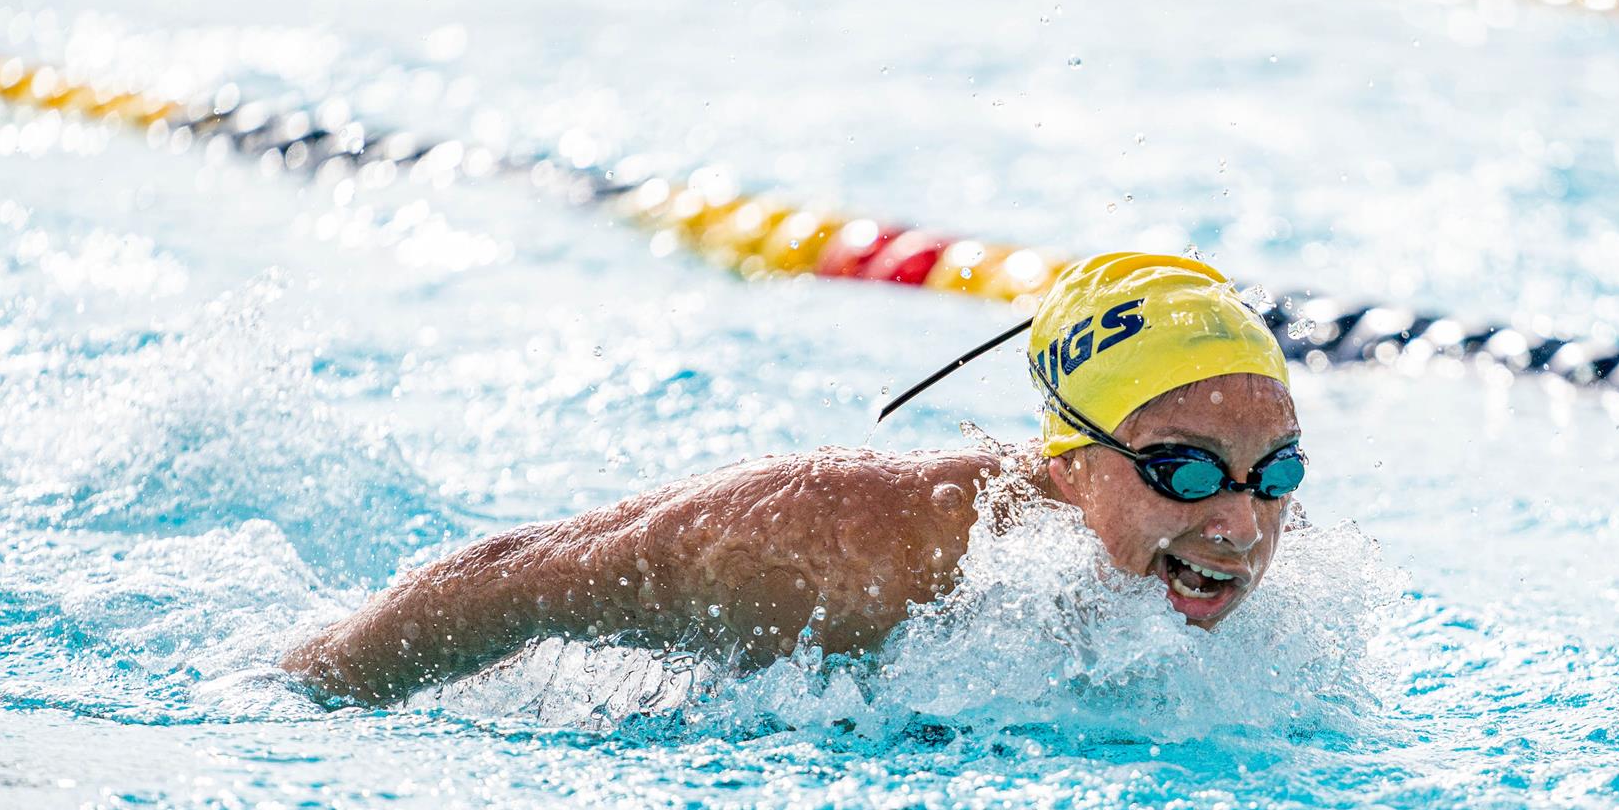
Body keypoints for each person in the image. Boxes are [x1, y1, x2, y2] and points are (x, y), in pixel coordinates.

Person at [280, 252, 1308, 704]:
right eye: (1181, 470)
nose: (1240, 527)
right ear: (1071, 462)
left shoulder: (1252, 539)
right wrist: (312, 698)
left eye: (1275, 473)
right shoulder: (841, 546)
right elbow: (514, 576)